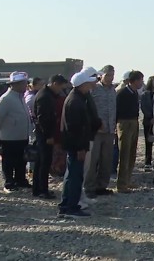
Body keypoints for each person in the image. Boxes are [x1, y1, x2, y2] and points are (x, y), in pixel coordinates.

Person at [59, 67, 102, 218]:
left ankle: (66, 205)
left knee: (71, 176)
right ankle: (71, 207)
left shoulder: (76, 98)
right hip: (76, 146)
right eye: (89, 83)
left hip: (75, 145)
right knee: (75, 177)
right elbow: (75, 129)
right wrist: (80, 148)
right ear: (82, 85)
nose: (91, 86)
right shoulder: (75, 102)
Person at [32, 75, 69, 199]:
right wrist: (48, 135)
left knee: (41, 161)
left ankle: (38, 188)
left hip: (45, 133)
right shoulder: (44, 97)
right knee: (44, 162)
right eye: (60, 87)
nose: (60, 90)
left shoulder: (49, 95)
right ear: (54, 84)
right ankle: (42, 189)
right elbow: (43, 118)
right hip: (44, 134)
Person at [0, 72, 33, 192]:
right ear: (14, 84)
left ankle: (20, 180)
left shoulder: (20, 97)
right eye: (23, 83)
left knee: (21, 160)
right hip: (9, 137)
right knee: (8, 161)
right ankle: (9, 182)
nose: (25, 86)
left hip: (21, 136)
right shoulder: (5, 99)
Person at [86, 65, 116, 198]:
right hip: (97, 130)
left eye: (112, 75)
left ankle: (102, 185)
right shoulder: (94, 89)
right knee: (93, 160)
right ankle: (89, 187)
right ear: (101, 75)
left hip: (109, 130)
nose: (111, 77)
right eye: (108, 75)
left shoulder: (113, 90)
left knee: (107, 160)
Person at [115, 70, 143, 193]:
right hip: (124, 123)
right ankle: (121, 184)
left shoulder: (135, 93)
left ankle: (128, 180)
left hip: (134, 122)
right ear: (135, 80)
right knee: (124, 154)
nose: (142, 82)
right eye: (140, 80)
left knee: (132, 153)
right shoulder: (122, 93)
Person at [140, 76, 154, 172]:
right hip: (148, 121)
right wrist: (150, 117)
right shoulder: (145, 94)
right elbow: (144, 107)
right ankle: (147, 162)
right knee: (148, 142)